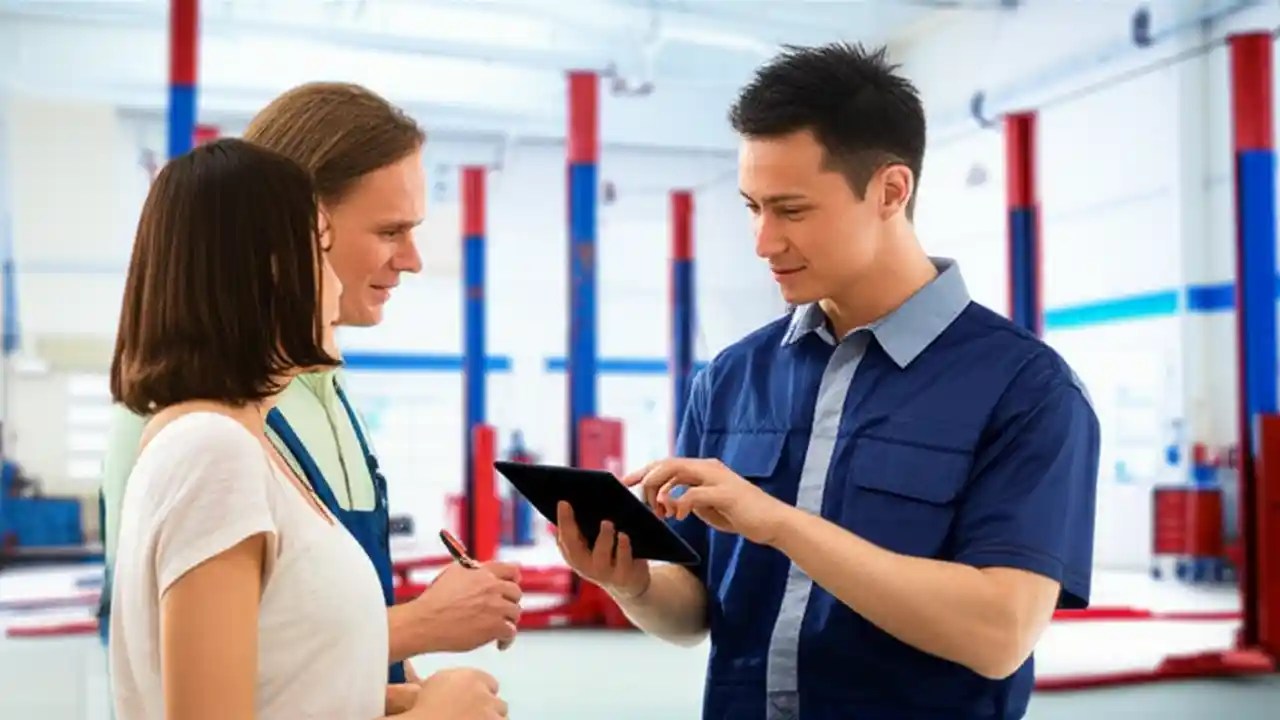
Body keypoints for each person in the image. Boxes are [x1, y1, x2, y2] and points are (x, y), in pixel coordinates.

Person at [553, 43, 1100, 720]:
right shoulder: (730, 380)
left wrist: (783, 526)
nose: (762, 241)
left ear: (891, 191)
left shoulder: (1026, 391)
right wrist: (631, 585)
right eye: (752, 206)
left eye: (791, 210)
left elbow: (1000, 634)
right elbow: (695, 610)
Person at [98, 82, 523, 684]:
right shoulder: (196, 430)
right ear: (285, 238)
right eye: (389, 231)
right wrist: (419, 626)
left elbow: (302, 625)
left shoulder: (322, 391)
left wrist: (411, 696)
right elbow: (185, 667)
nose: (413, 260)